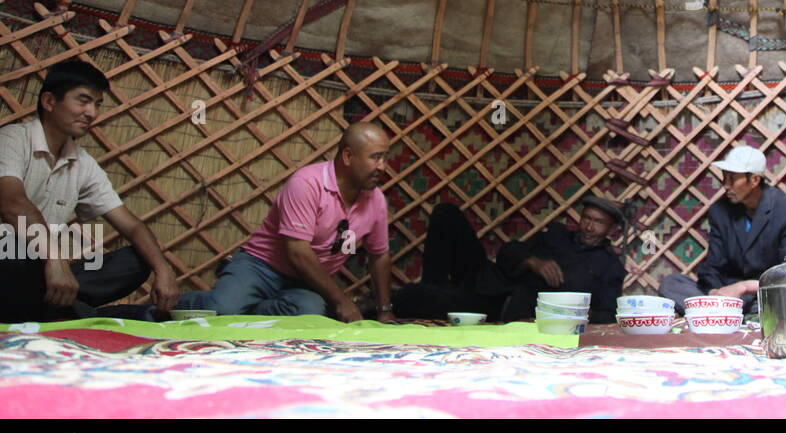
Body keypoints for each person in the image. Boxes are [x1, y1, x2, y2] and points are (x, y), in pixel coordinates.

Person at [0, 58, 179, 323]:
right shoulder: (12, 139)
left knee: (137, 260)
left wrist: (163, 270)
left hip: (42, 272)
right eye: (83, 101)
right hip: (10, 263)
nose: (92, 113)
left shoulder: (82, 163)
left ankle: (56, 306)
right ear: (49, 102)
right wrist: (55, 260)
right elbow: (13, 203)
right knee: (13, 246)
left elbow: (132, 226)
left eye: (97, 104)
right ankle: (70, 311)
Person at [174, 122, 395, 322]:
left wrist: (384, 310)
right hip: (261, 266)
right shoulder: (307, 183)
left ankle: (246, 307)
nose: (382, 167)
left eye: (384, 158)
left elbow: (379, 255)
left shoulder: (375, 201)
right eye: (376, 157)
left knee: (311, 315)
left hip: (307, 280)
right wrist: (341, 301)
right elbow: (298, 253)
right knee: (221, 312)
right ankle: (181, 305)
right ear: (348, 157)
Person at [393, 195, 627, 323]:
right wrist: (532, 261)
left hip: (500, 307)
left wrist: (575, 312)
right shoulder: (558, 235)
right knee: (446, 213)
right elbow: (509, 251)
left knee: (414, 297)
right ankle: (434, 286)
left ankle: (426, 296)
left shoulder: (609, 266)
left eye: (598, 222)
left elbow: (607, 313)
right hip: (489, 278)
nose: (588, 226)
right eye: (586, 218)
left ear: (612, 229)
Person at [658, 145, 786, 314]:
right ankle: (719, 311)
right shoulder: (719, 210)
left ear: (755, 180)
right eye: (724, 178)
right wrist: (714, 293)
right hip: (727, 296)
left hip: (763, 293)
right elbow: (713, 265)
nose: (726, 185)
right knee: (671, 284)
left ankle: (712, 315)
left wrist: (745, 287)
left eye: (732, 179)